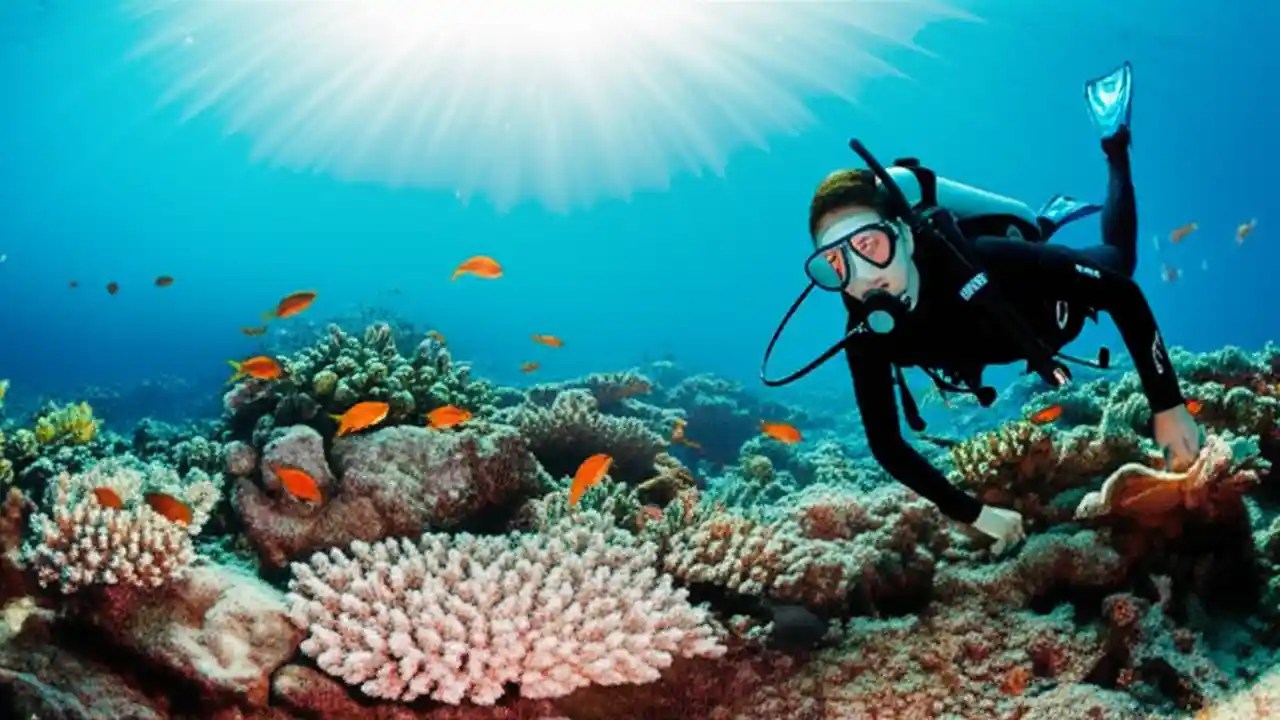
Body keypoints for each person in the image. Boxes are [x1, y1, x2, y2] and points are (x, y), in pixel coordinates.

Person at [761, 61, 1203, 555]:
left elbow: (1122, 295)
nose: (863, 276)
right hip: (1005, 322)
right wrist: (974, 513)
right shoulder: (864, 330)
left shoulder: (982, 261)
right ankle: (1043, 224)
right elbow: (887, 445)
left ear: (904, 235)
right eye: (837, 263)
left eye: (871, 244)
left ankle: (1114, 147)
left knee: (1122, 262)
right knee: (1052, 252)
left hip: (1048, 311)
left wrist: (1167, 405)